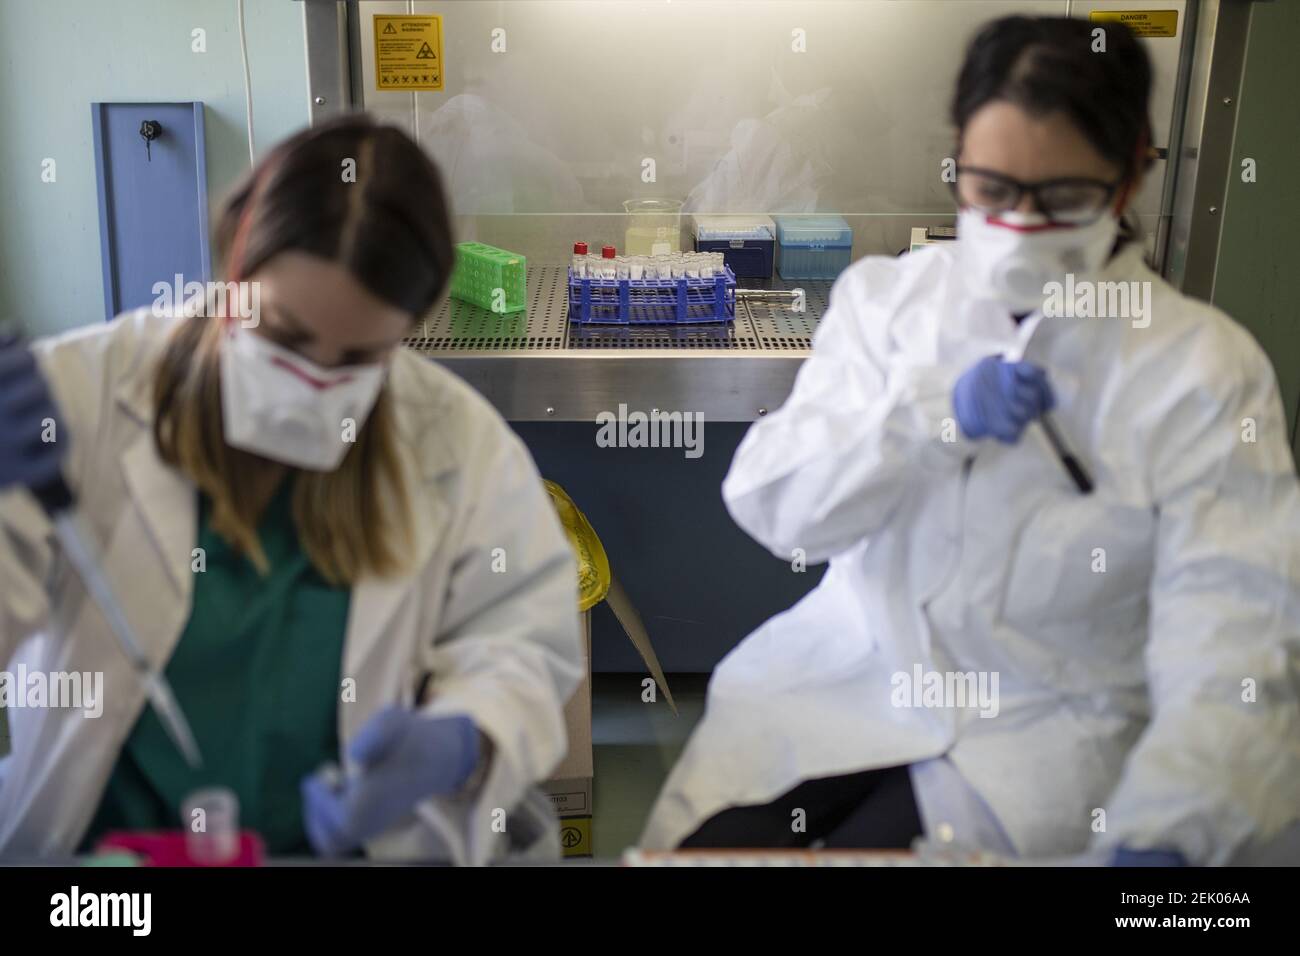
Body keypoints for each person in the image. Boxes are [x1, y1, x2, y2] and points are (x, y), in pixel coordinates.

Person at [641, 16, 1300, 865]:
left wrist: (1172, 830)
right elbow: (777, 507)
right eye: (992, 191)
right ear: (959, 159)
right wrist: (924, 419)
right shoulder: (888, 305)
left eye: (1061, 198)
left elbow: (1233, 632)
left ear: (1132, 173)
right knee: (709, 847)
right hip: (849, 674)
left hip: (1045, 730)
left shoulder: (1199, 369)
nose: (1021, 223)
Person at [0, 116, 582, 864]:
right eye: (282, 336)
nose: (312, 383)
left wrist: (465, 731)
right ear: (233, 260)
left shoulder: (459, 445)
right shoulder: (76, 401)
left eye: (359, 357)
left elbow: (517, 639)